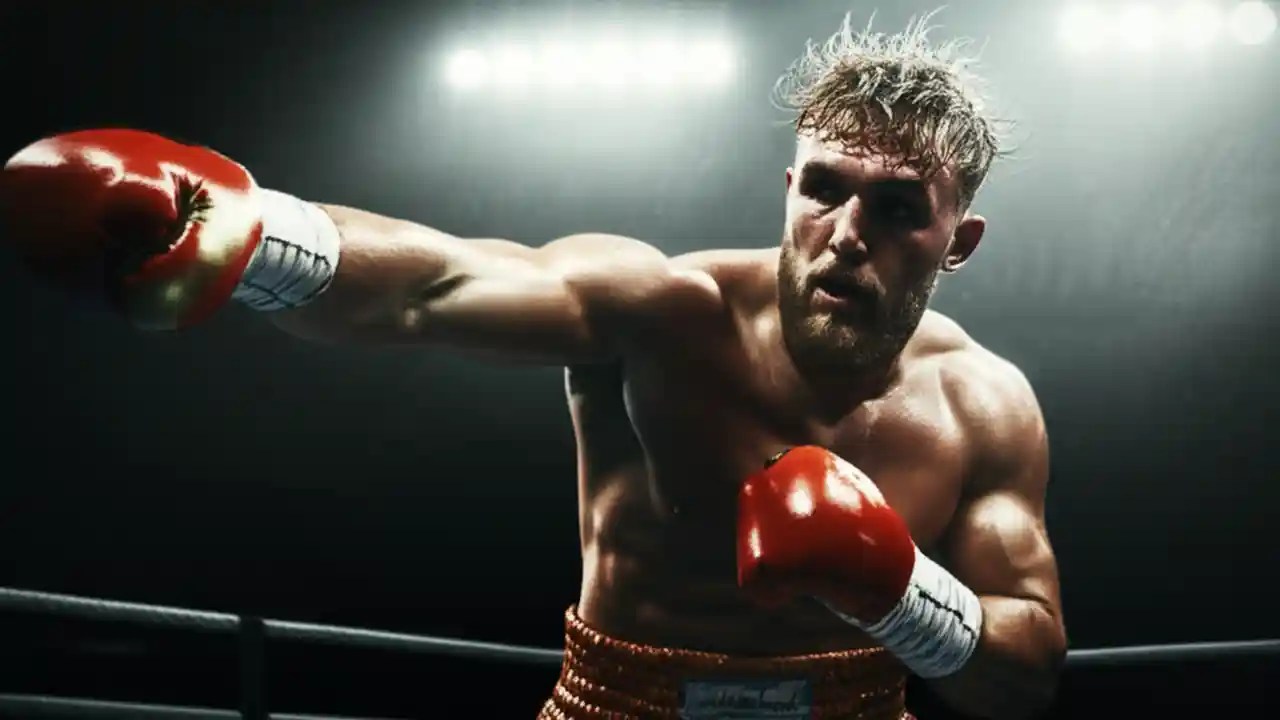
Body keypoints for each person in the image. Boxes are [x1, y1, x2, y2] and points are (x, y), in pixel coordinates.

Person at [1, 13, 1067, 720]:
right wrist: (256, 237)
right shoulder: (660, 309)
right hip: (617, 708)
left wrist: (898, 592)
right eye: (822, 190)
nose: (843, 233)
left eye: (892, 209)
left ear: (955, 241)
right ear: (786, 187)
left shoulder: (983, 405)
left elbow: (1026, 672)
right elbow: (439, 286)